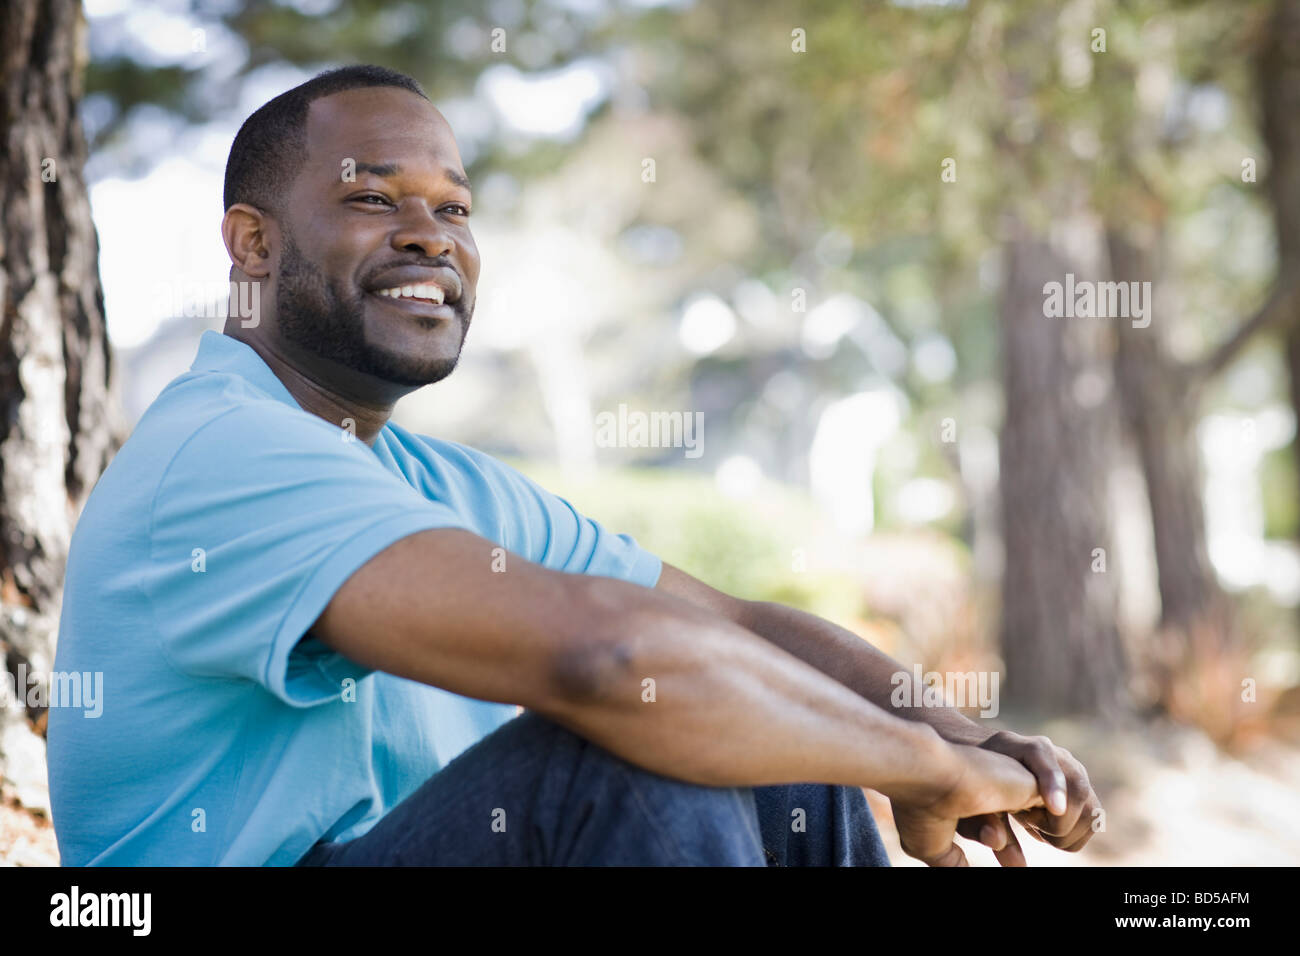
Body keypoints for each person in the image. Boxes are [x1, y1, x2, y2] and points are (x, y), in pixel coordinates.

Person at [47, 65, 1100, 867]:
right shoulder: (221, 452)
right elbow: (607, 664)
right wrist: (922, 766)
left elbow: (733, 627)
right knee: (633, 748)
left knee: (776, 735)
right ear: (253, 243)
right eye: (375, 199)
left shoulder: (435, 481)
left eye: (453, 208)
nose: (431, 236)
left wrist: (956, 728)